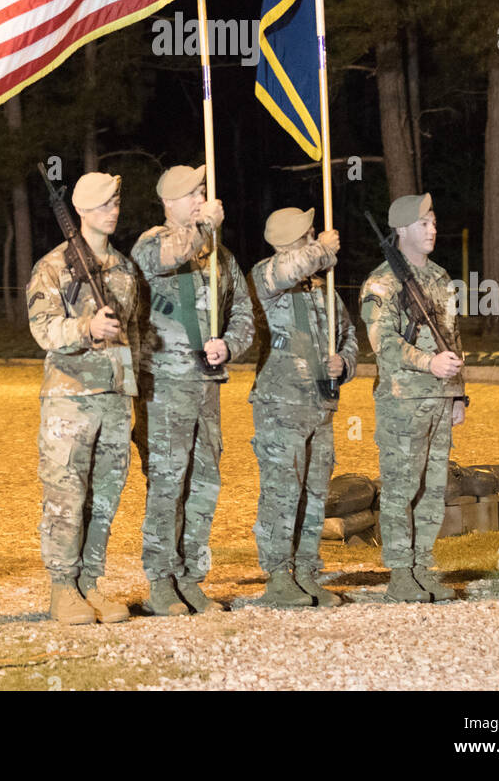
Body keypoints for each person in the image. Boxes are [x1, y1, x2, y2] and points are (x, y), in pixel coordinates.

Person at [132, 164, 255, 616]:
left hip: (207, 387)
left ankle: (190, 578)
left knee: (204, 483)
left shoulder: (218, 254)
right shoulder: (151, 244)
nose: (203, 198)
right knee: (167, 483)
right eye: (194, 193)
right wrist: (205, 226)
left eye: (204, 191)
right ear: (169, 202)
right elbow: (163, 259)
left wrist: (231, 345)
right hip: (164, 386)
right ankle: (160, 581)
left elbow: (243, 310)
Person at [26, 171, 139, 626]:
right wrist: (86, 329)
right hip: (70, 401)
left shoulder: (125, 269)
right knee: (66, 497)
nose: (113, 210)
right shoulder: (52, 267)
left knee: (105, 498)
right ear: (82, 212)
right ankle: (61, 588)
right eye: (104, 204)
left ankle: (90, 583)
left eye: (116, 202)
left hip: (114, 398)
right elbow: (43, 330)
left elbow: (135, 332)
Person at [248, 207, 357, 609]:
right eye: (311, 233)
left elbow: (348, 336)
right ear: (296, 238)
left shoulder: (320, 287)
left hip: (320, 403)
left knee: (314, 493)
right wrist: (322, 250)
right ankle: (278, 575)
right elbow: (285, 270)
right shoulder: (266, 275)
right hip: (281, 404)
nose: (318, 236)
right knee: (281, 491)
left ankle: (307, 571)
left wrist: (344, 363)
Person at [360, 192, 466, 603]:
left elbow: (452, 337)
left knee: (432, 487)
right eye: (424, 223)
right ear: (402, 230)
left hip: (440, 399)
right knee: (401, 487)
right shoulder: (381, 283)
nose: (433, 230)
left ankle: (422, 565)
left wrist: (458, 394)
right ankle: (400, 572)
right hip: (403, 402)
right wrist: (429, 364)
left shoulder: (439, 277)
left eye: (435, 222)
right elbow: (381, 343)